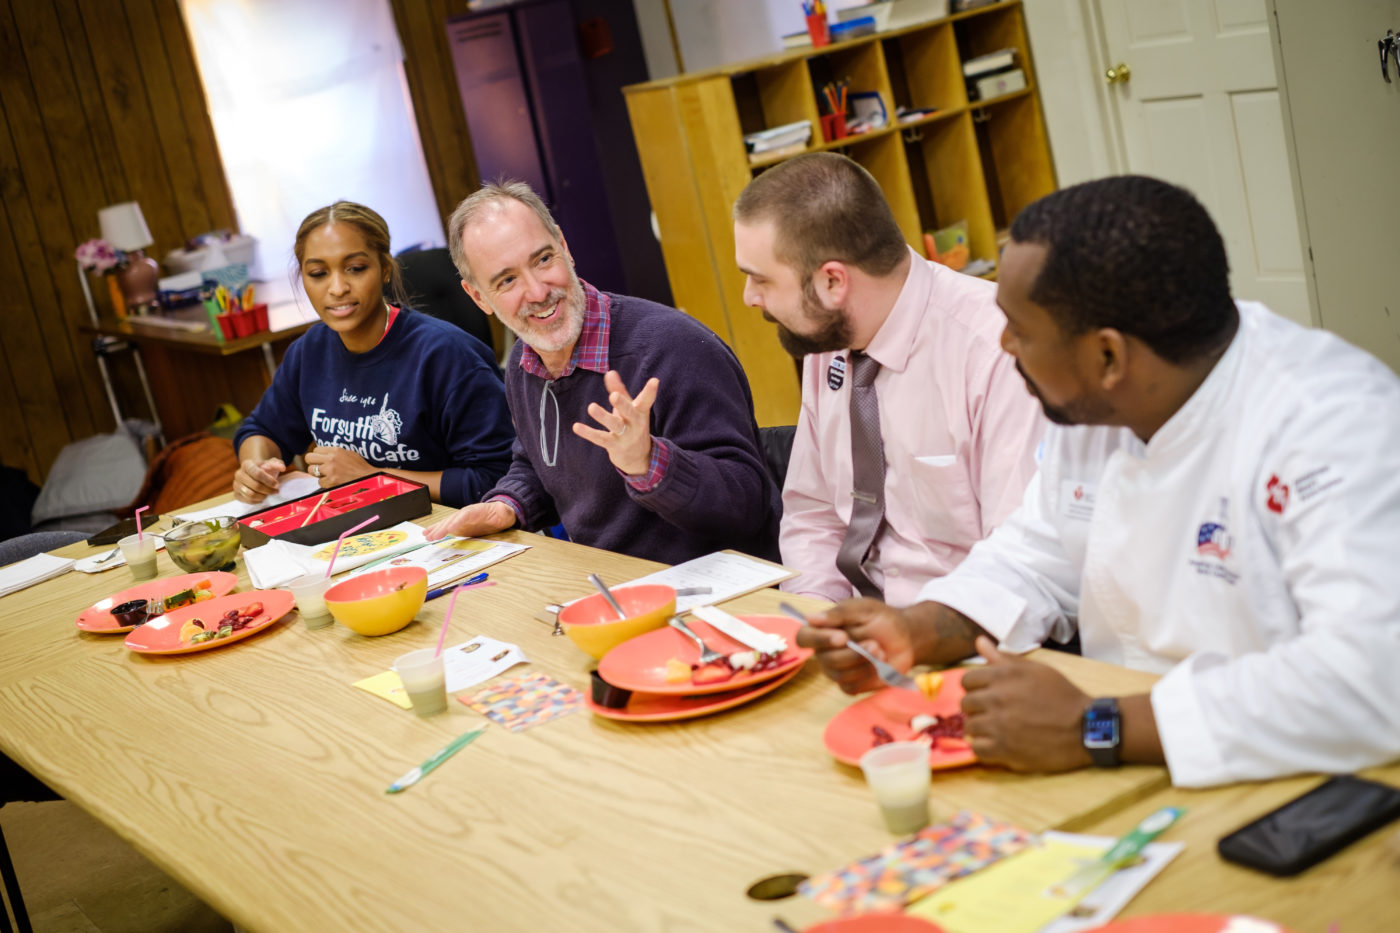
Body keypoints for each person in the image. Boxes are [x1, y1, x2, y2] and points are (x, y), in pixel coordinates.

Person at [798, 175, 1400, 789]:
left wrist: (1092, 726)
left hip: (1305, 775)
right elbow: (1033, 558)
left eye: (1021, 332)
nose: (1004, 347)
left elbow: (1371, 679)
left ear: (1109, 358)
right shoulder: (1095, 404)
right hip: (1124, 753)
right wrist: (913, 631)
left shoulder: (1333, 425)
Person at [733, 153, 1043, 607]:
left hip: (959, 630)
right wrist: (814, 619)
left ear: (832, 282)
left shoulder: (996, 353)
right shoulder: (830, 333)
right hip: (860, 627)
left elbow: (1020, 562)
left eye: (760, 280)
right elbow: (814, 515)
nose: (749, 298)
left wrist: (912, 638)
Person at [424, 182, 781, 563]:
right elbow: (535, 463)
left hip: (718, 586)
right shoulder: (523, 363)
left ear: (564, 247)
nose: (537, 291)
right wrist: (508, 505)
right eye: (507, 280)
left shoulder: (674, 348)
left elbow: (747, 505)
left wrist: (649, 463)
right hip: (606, 582)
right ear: (479, 297)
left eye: (543, 259)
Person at [233, 201, 513, 508]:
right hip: (362, 532)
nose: (337, 288)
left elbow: (497, 477)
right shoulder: (308, 352)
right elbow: (262, 430)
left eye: (355, 268)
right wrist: (256, 468)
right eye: (318, 273)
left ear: (385, 269)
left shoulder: (448, 356)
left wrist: (374, 477)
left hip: (456, 536)